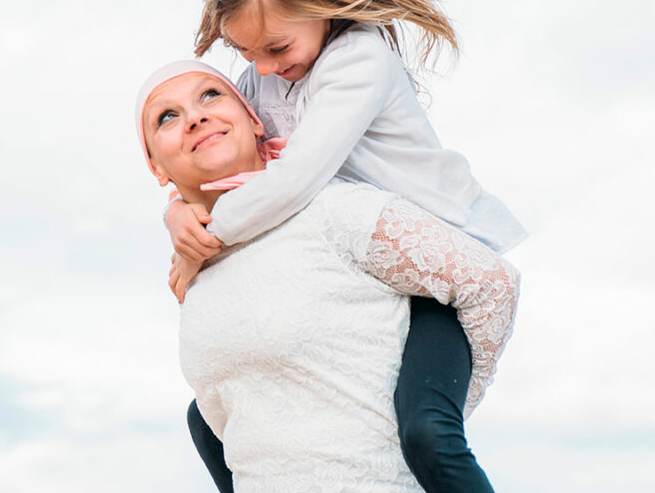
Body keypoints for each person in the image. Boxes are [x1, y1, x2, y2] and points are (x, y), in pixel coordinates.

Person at [164, 0, 527, 493]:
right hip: (355, 279)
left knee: (426, 432)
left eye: (276, 47)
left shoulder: (358, 60)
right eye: (243, 51)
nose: (260, 68)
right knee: (206, 422)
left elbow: (293, 182)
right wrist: (178, 215)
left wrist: (200, 247)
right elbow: (235, 166)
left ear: (321, 1)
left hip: (433, 275)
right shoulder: (268, 74)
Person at [136, 61, 520, 492]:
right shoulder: (194, 272)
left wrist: (440, 418)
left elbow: (491, 283)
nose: (195, 117)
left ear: (254, 121)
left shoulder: (336, 211)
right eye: (166, 117)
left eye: (210, 95)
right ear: (156, 167)